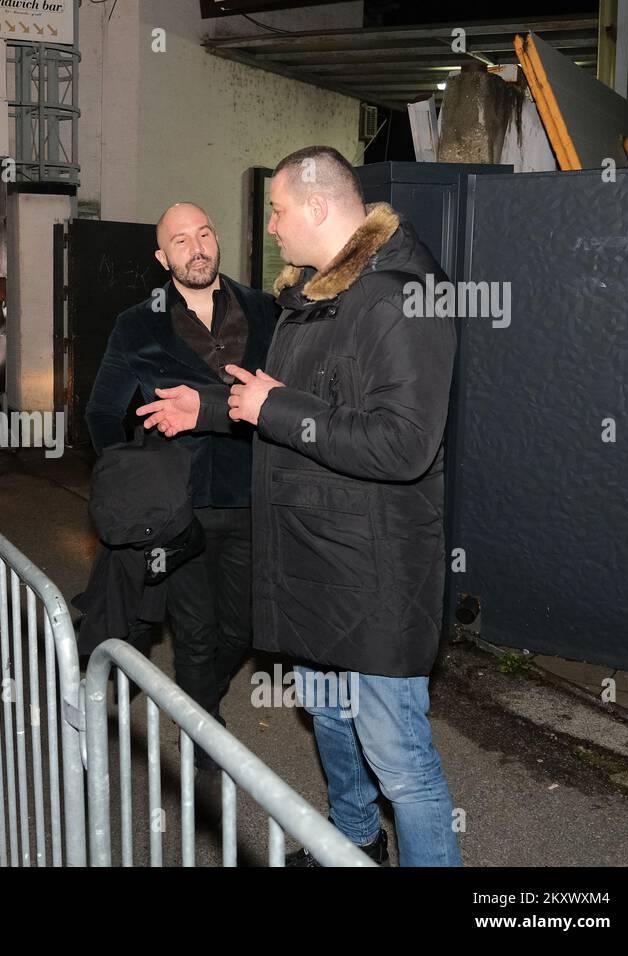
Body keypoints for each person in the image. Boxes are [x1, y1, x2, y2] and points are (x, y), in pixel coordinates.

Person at [137, 146, 461, 867]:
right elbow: (284, 402)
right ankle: (352, 840)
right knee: (330, 719)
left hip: (374, 576)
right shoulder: (315, 294)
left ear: (317, 207)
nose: (272, 227)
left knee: (400, 762)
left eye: (278, 210)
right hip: (314, 564)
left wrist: (272, 404)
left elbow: (403, 443)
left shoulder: (401, 295)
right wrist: (210, 406)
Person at [85, 202, 277, 768]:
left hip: (250, 498)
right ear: (161, 256)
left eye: (204, 234)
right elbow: (101, 413)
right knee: (194, 633)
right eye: (180, 240)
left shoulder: (264, 310)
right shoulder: (136, 323)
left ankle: (193, 705)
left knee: (242, 628)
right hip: (179, 510)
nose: (197, 248)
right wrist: (135, 483)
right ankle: (204, 738)